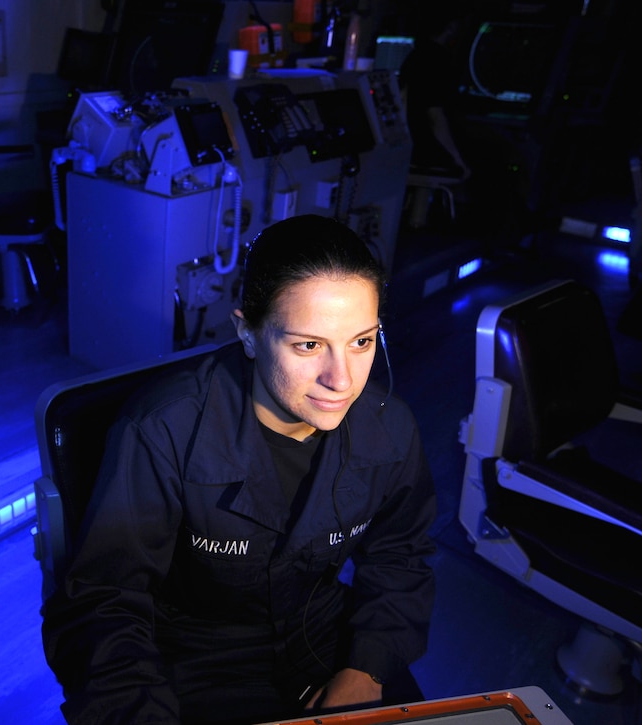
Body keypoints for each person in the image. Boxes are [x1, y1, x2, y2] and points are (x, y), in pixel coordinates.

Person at [42, 214, 437, 725]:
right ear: (248, 334)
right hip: (194, 662)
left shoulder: (391, 428)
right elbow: (104, 603)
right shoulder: (163, 431)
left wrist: (367, 668)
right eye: (309, 345)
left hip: (326, 639)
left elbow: (400, 555)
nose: (342, 380)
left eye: (361, 342)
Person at [398, 9, 471, 179]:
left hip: (412, 148)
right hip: (429, 153)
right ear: (451, 28)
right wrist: (457, 159)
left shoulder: (414, 56)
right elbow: (435, 116)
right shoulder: (438, 60)